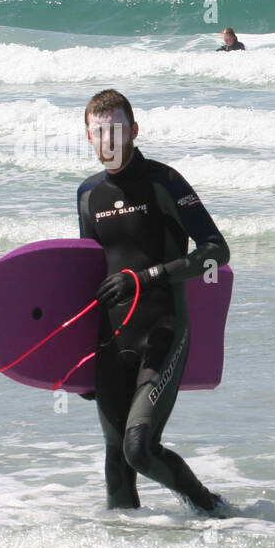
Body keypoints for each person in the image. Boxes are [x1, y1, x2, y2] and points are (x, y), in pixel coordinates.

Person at [77, 89, 231, 514]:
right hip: (110, 341)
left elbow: (216, 251)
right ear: (87, 137)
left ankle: (214, 510)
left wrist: (145, 278)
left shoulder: (164, 182)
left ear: (134, 131)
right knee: (115, 462)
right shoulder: (88, 195)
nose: (107, 140)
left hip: (163, 330)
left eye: (115, 130)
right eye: (98, 132)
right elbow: (86, 275)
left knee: (138, 449)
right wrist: (74, 364)